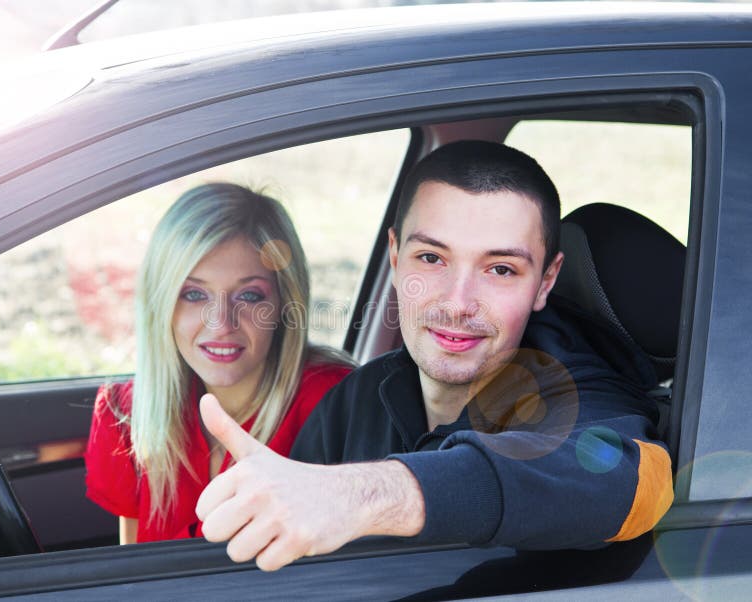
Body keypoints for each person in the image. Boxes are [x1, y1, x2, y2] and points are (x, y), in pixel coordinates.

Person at [194, 142, 674, 571]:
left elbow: (633, 483)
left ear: (545, 281)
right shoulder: (356, 399)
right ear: (396, 257)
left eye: (501, 269)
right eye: (431, 259)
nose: (456, 303)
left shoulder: (583, 394)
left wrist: (360, 496)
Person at [84, 183, 354, 544]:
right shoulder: (128, 415)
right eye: (194, 294)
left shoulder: (338, 404)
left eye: (249, 295)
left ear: (284, 305)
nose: (221, 323)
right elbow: (131, 574)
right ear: (162, 304)